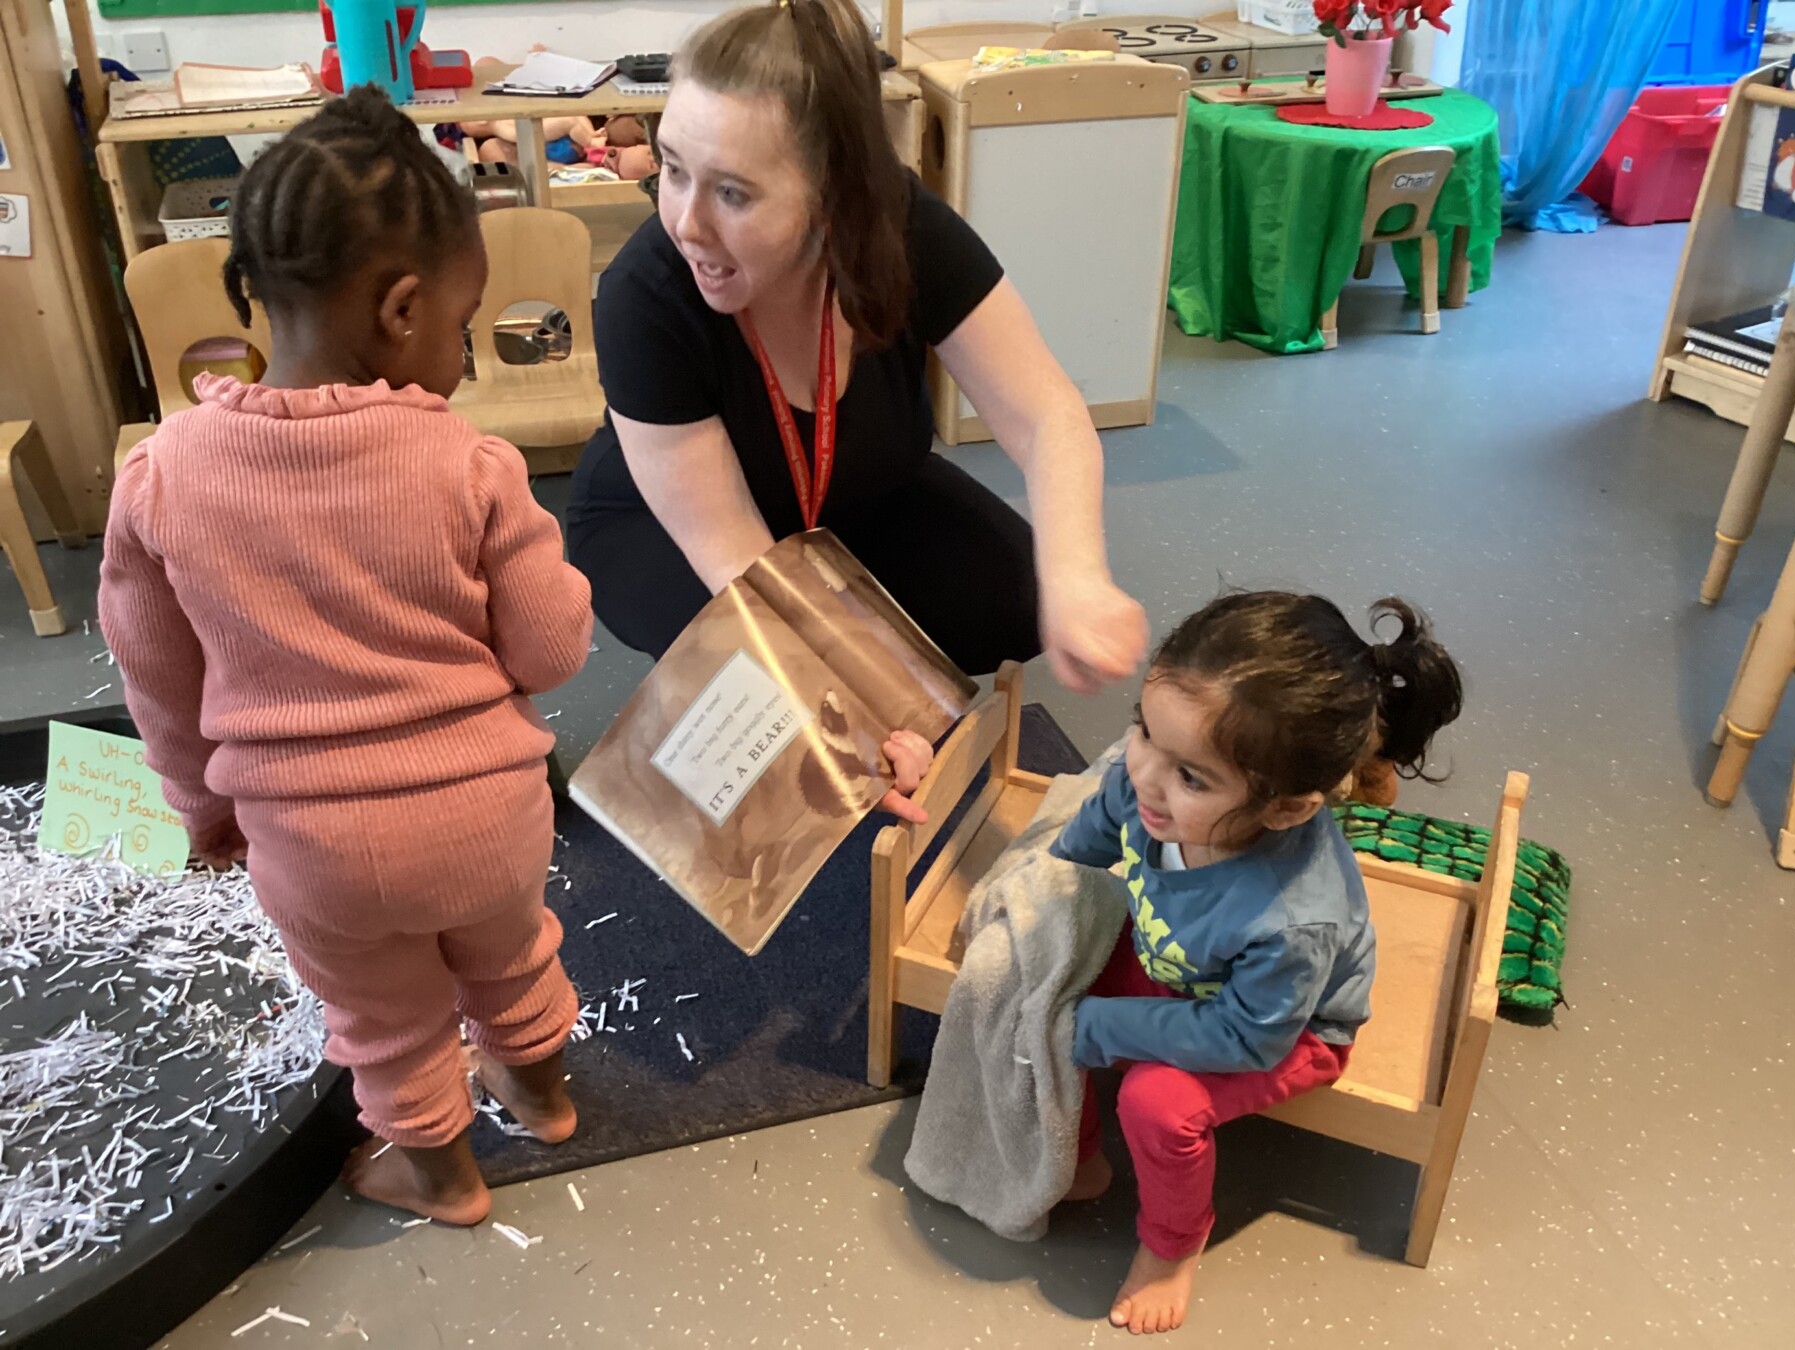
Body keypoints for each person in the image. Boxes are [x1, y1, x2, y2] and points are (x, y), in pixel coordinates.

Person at [98, 89, 594, 1226]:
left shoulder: (162, 476)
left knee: (385, 1021)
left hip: (309, 841)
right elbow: (554, 647)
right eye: (464, 327)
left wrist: (201, 811)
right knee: (514, 958)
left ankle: (442, 1178)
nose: (463, 356)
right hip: (488, 819)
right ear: (403, 308)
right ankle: (545, 1098)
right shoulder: (470, 463)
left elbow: (159, 682)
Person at [565, 0, 1147, 696]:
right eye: (673, 169)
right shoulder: (645, 297)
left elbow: (1046, 415)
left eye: (733, 194)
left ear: (831, 194)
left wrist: (1078, 577)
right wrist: (877, 697)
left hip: (857, 493)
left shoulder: (897, 224)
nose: (687, 224)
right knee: (764, 675)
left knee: (1020, 598)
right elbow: (737, 558)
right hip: (663, 528)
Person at [1050, 591, 1464, 1335]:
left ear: (1287, 808)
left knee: (1156, 1101)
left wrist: (1104, 1025)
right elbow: (1104, 817)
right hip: (1183, 969)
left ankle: (1174, 1245)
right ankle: (1078, 1160)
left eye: (1192, 777)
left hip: (1286, 1030)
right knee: (1048, 992)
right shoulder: (1153, 782)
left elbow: (1248, 1039)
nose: (1145, 774)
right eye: (1143, 729)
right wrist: (1052, 873)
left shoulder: (1291, 919)